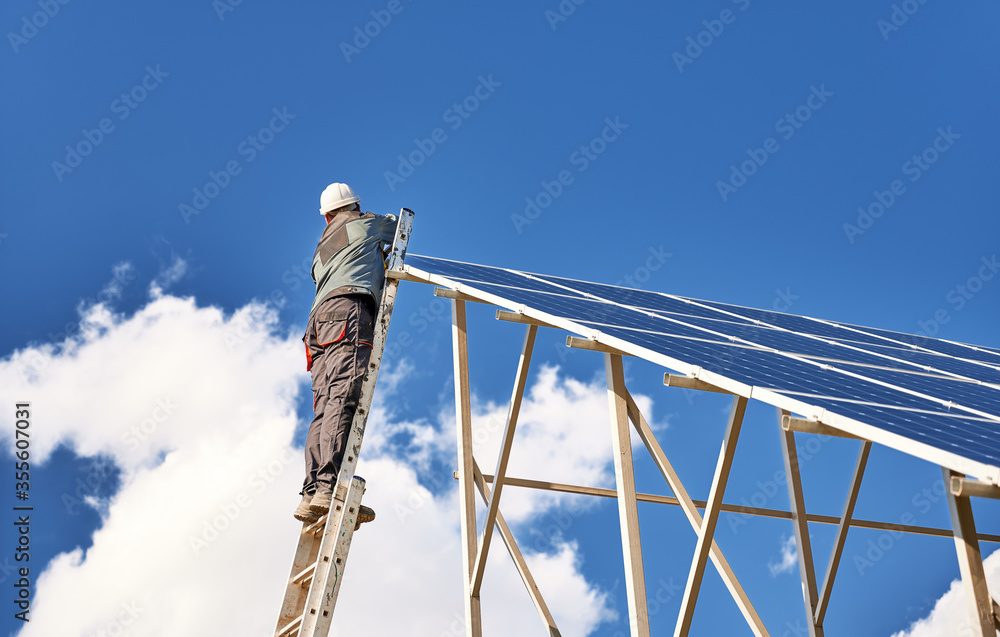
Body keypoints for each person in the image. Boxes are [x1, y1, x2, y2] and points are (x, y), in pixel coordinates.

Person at [294, 182, 398, 525]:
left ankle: (311, 493)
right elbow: (397, 227)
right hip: (348, 311)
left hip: (318, 325)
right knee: (343, 396)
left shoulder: (320, 251)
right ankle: (329, 487)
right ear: (353, 205)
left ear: (325, 217)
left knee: (324, 405)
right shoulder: (362, 223)